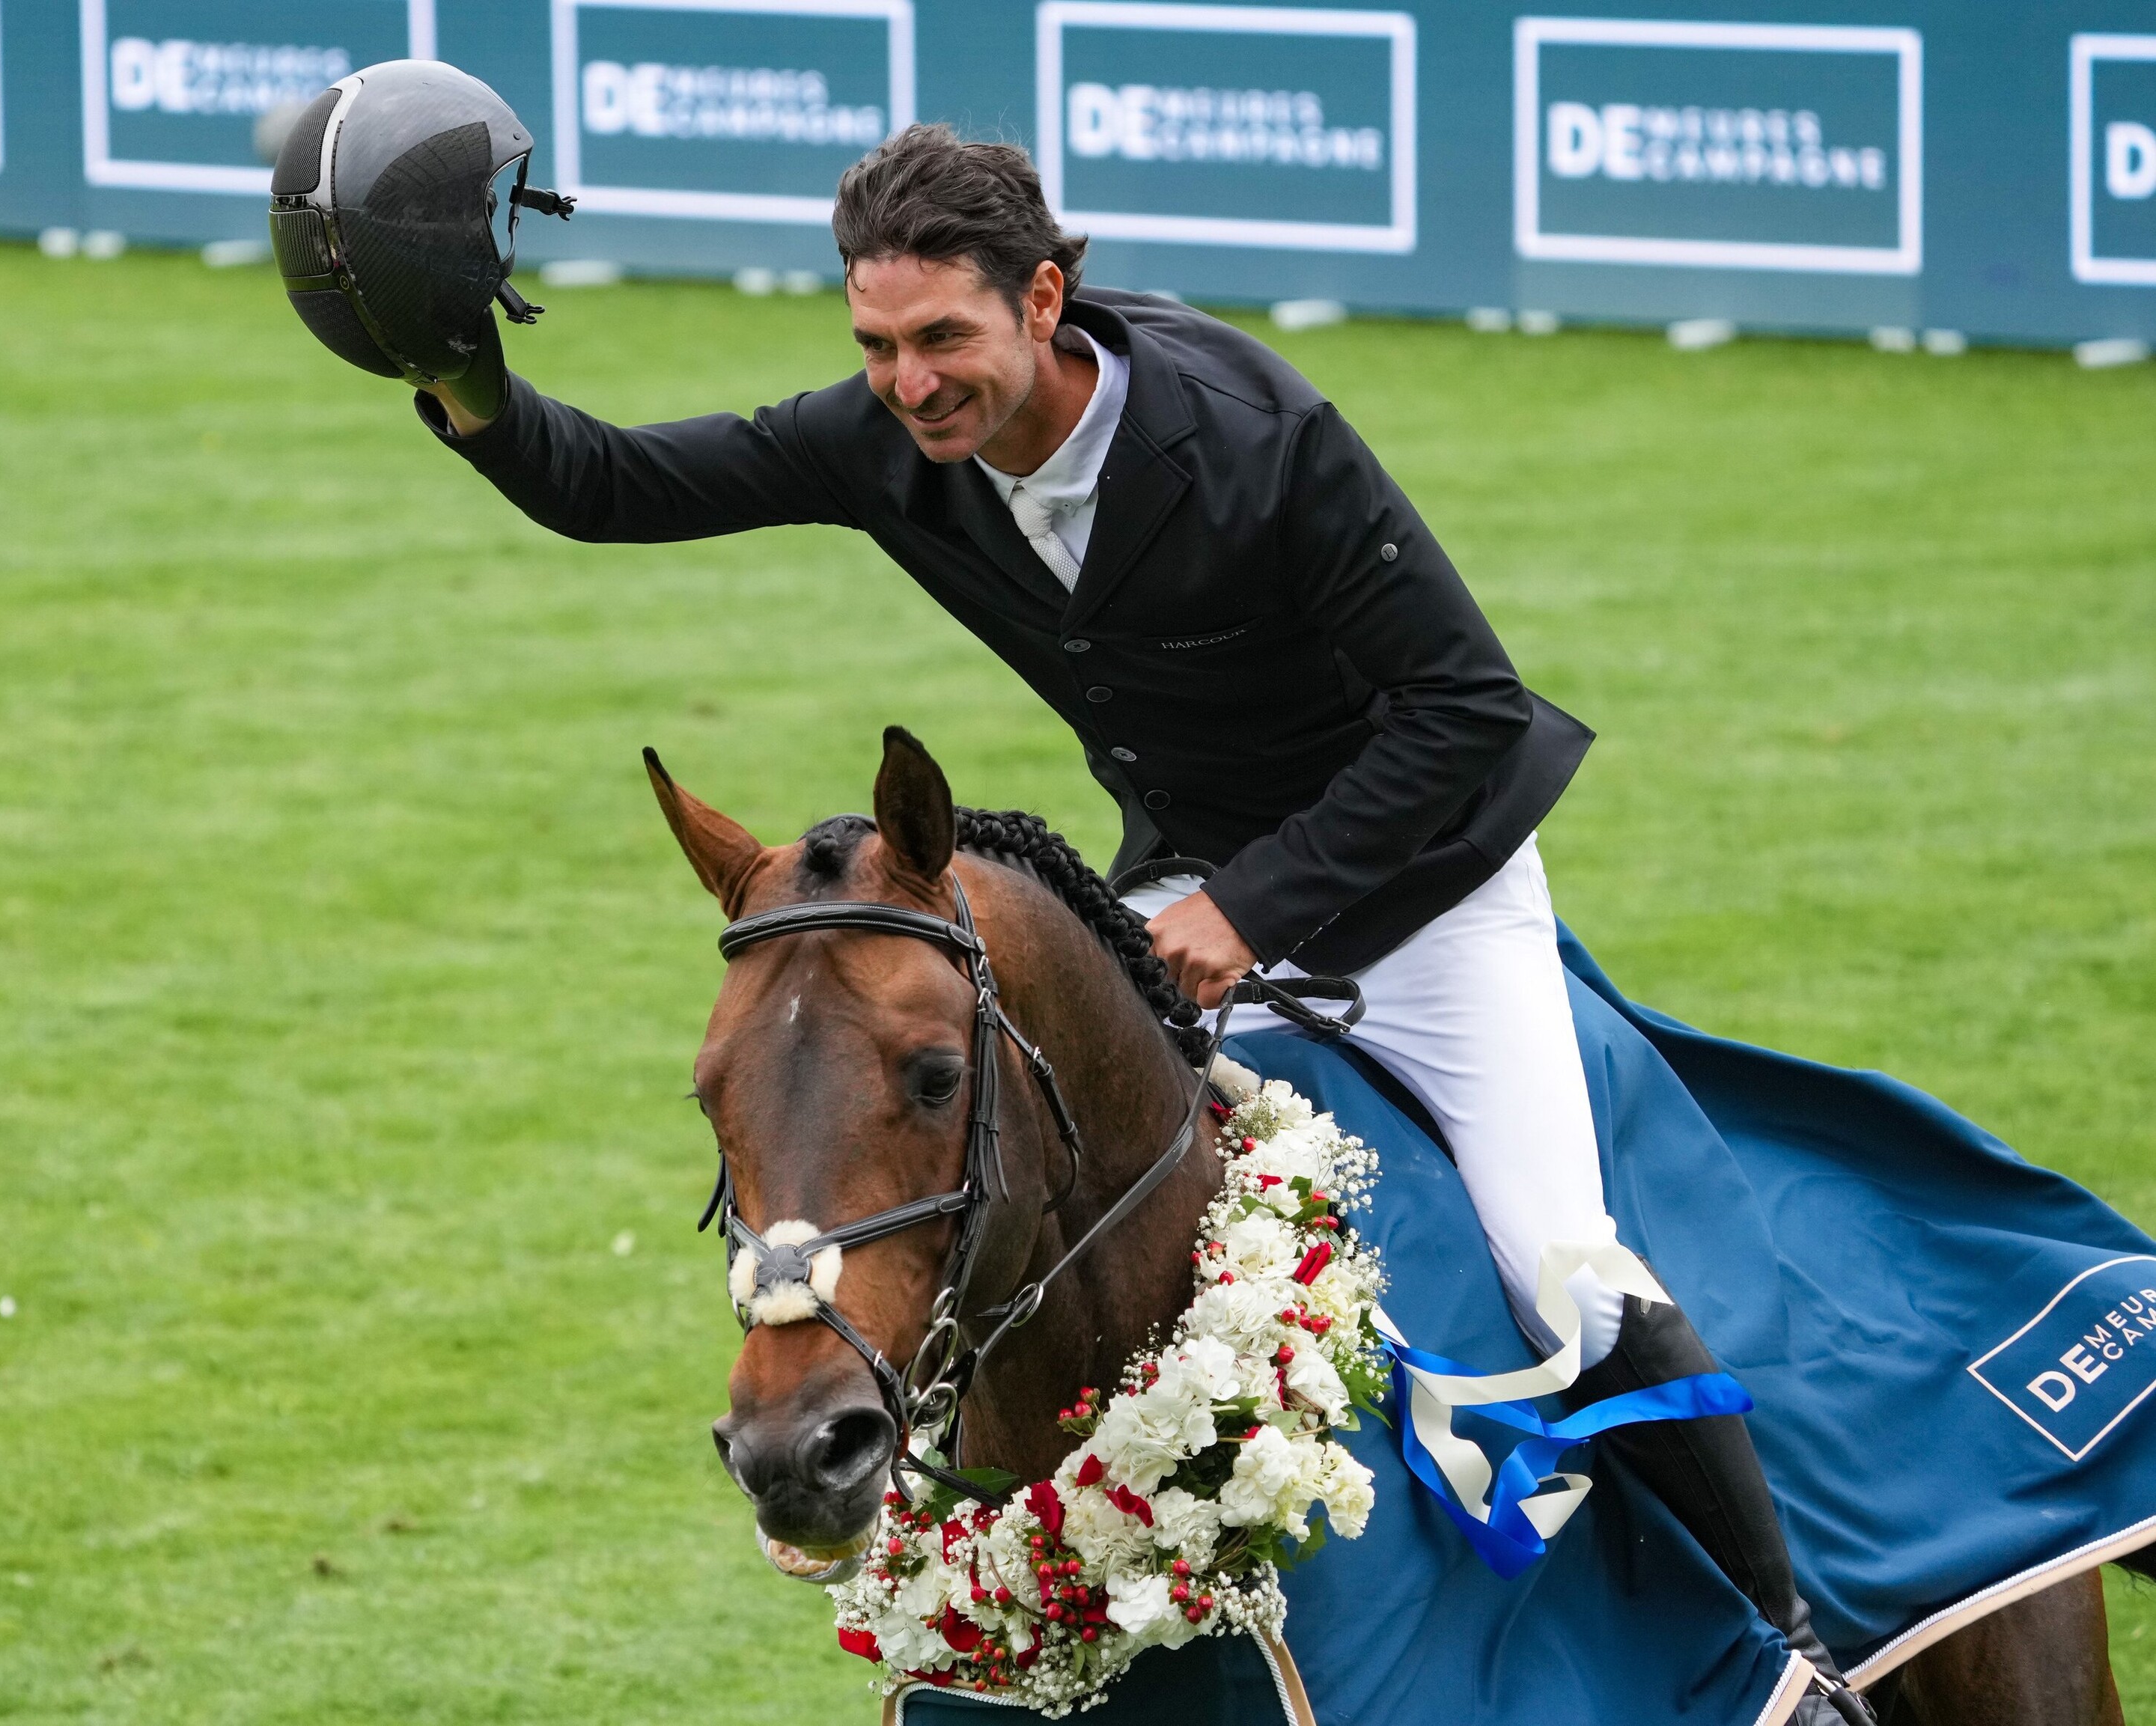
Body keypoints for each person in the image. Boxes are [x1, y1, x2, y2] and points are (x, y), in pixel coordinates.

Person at [413, 123, 1872, 1723]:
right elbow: (614, 483)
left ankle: (1788, 1653)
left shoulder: (1250, 432)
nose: (908, 385)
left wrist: (1252, 909)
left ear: (1043, 299)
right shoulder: (892, 438)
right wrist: (461, 372)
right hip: (1186, 878)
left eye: (941, 340)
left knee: (1569, 1275)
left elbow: (1460, 708)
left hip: (1431, 900)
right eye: (875, 347)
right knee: (1040, 1195)